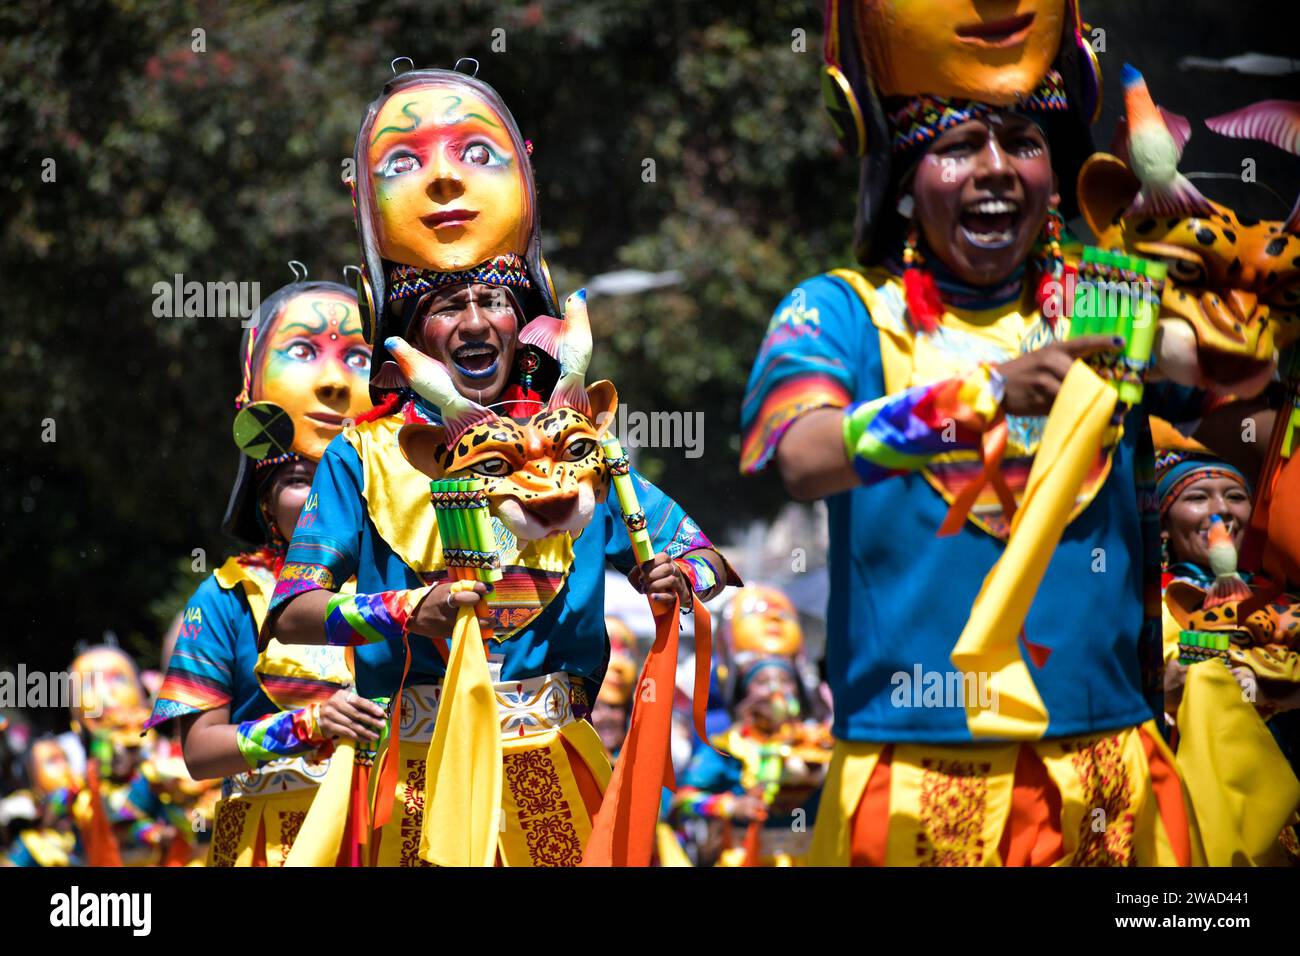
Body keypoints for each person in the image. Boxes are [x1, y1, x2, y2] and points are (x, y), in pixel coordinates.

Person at [741, 1, 1217, 866]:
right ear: (904, 177)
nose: (996, 170)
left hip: (1107, 765)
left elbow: (1226, 382)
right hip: (914, 772)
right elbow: (805, 458)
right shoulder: (837, 312)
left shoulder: (1114, 300)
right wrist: (987, 392)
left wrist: (1219, 311)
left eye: (1022, 143)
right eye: (959, 147)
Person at [268, 63, 735, 867]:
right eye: (451, 306)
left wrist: (679, 578)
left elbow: (703, 556)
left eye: (496, 305)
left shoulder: (575, 446)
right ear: (413, 341)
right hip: (415, 781)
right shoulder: (363, 456)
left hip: (557, 765)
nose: (478, 320)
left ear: (527, 327)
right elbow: (293, 612)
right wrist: (408, 610)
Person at [144, 274, 373, 866]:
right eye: (300, 482)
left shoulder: (400, 576)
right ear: (263, 499)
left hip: (385, 827)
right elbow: (199, 753)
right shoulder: (222, 597)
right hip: (268, 843)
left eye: (334, 482)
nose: (320, 499)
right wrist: (310, 723)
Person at [671, 585, 831, 866]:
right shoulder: (728, 746)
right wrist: (730, 806)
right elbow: (682, 800)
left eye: (785, 681)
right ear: (745, 693)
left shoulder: (815, 742)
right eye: (762, 682)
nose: (775, 691)